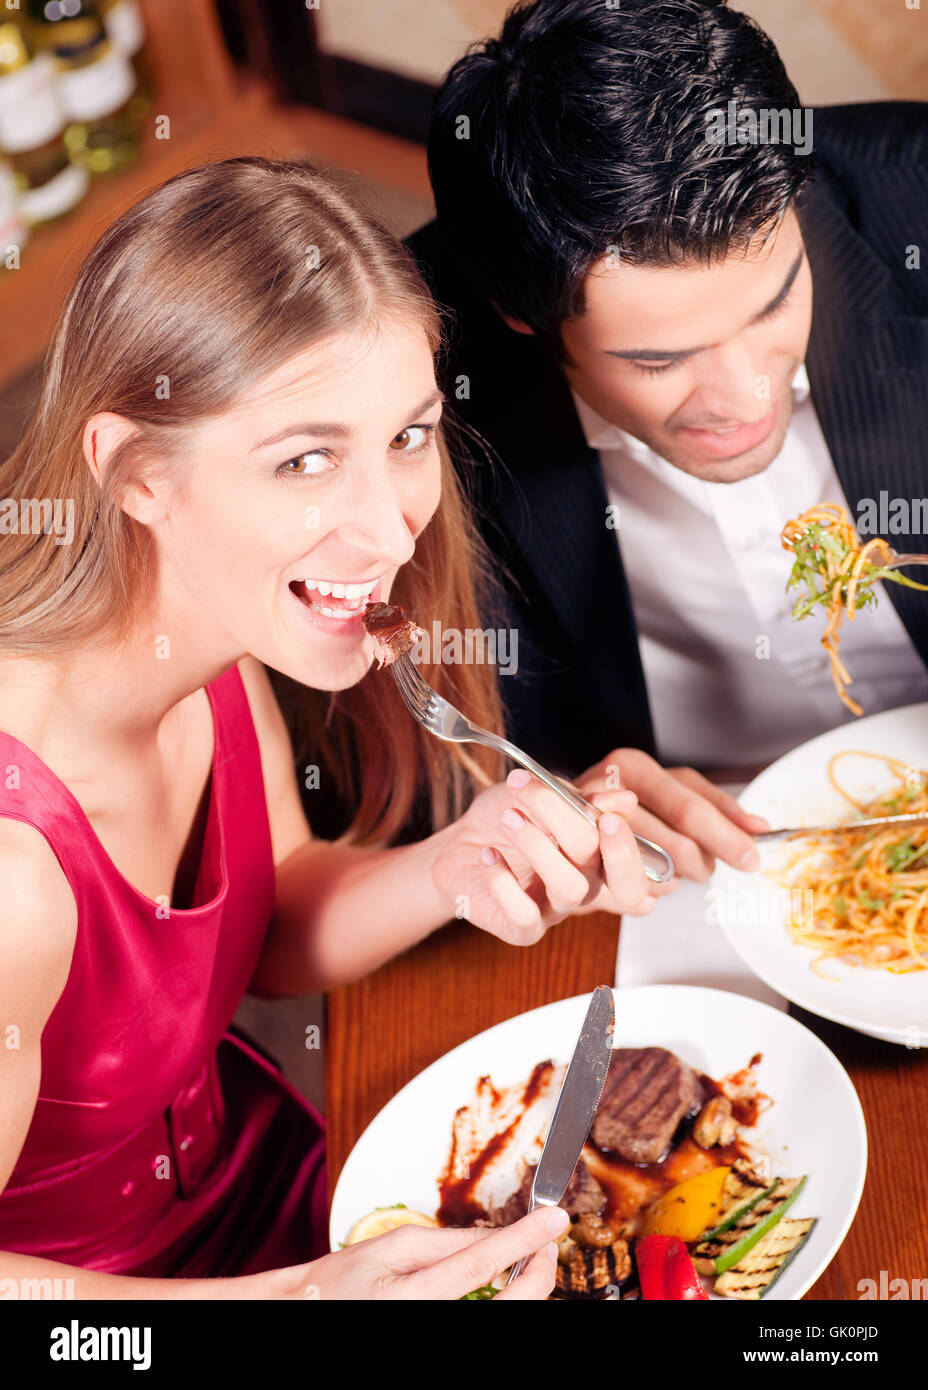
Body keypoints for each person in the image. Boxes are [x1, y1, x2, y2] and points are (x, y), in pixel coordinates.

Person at [0, 156, 657, 1299]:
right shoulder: (14, 878)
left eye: (406, 437)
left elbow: (267, 911)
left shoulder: (203, 634)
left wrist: (457, 865)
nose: (391, 532)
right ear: (134, 472)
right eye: (305, 459)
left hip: (282, 1192)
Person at [408, 0, 928, 882]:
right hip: (685, 875)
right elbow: (413, 772)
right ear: (520, 318)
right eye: (660, 360)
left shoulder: (913, 193)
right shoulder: (415, 373)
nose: (748, 394)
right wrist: (565, 798)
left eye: (775, 305)